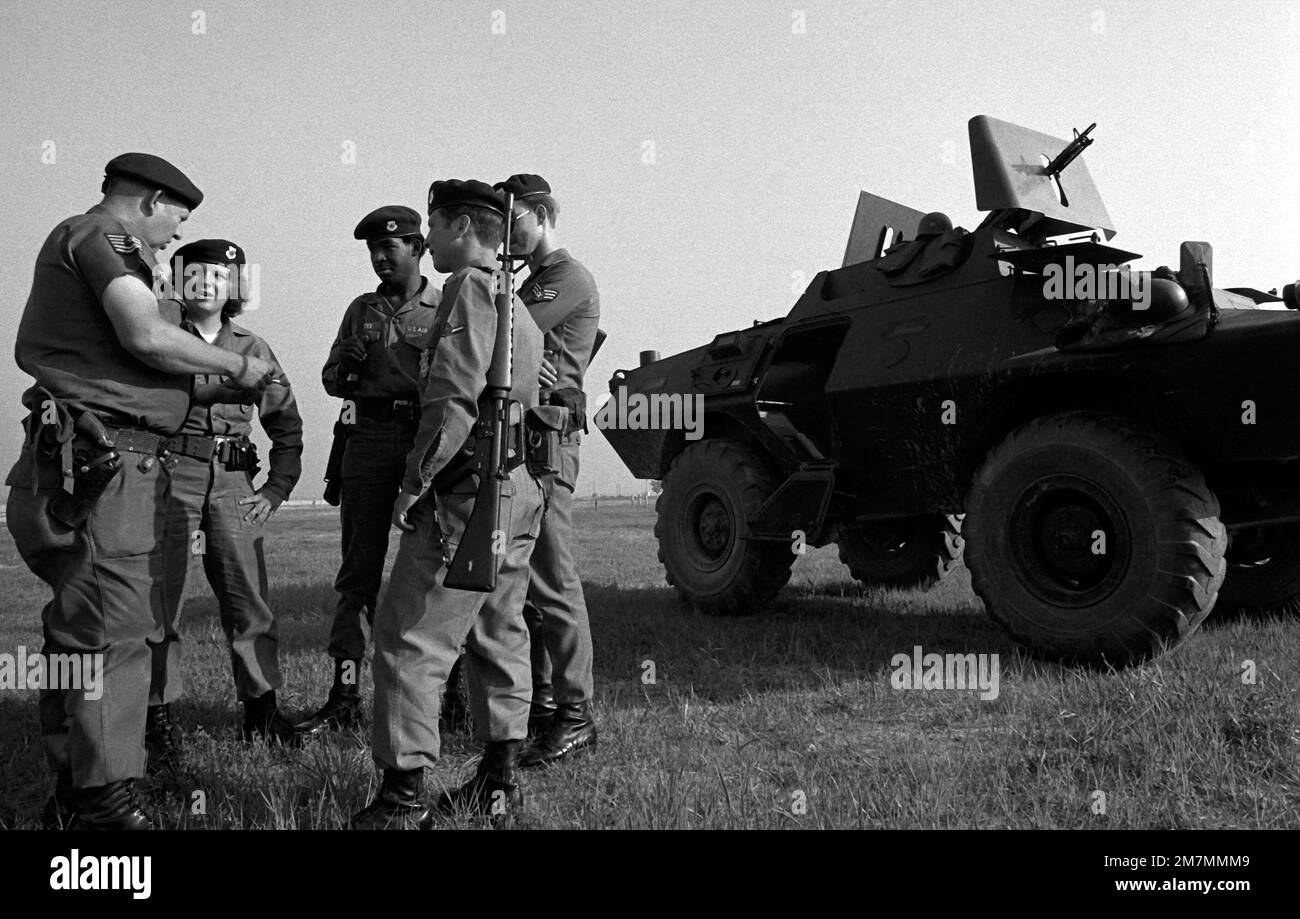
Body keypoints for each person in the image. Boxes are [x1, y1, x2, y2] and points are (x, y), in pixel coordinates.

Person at [6, 153, 276, 829]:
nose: (173, 239)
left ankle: (74, 788)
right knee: (113, 633)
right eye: (175, 223)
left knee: (80, 631)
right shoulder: (104, 238)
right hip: (104, 467)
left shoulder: (91, 242)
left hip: (97, 463)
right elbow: (147, 336)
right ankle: (102, 803)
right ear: (153, 201)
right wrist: (240, 365)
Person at [351, 179, 545, 829]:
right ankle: (499, 781)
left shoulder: (466, 286)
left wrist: (416, 482)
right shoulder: (516, 301)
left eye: (431, 226)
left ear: (461, 225)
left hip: (466, 489)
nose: (425, 239)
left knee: (408, 636)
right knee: (498, 630)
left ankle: (402, 801)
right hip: (515, 485)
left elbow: (454, 397)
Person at [147, 238, 304, 765]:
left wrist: (277, 488)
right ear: (179, 282)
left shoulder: (254, 347)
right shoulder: (158, 339)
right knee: (159, 602)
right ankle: (157, 719)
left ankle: (262, 713)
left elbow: (286, 424)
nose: (208, 284)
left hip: (235, 483)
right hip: (171, 475)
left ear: (234, 286)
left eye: (219, 276)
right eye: (196, 275)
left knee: (248, 602)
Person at [299, 206, 441, 736]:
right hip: (368, 441)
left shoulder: (444, 303)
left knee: (435, 571)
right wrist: (348, 364)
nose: (381, 258)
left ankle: (446, 696)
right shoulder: (361, 310)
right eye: (374, 252)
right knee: (356, 576)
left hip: (423, 442)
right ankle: (343, 695)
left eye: (392, 248)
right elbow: (332, 379)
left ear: (418, 248)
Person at [493, 174, 601, 767]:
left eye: (511, 220)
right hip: (524, 438)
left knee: (554, 580)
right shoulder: (532, 280)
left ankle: (577, 714)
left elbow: (510, 334)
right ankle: (541, 704)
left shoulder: (564, 277)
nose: (503, 233)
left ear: (539, 213)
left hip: (547, 440)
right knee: (527, 584)